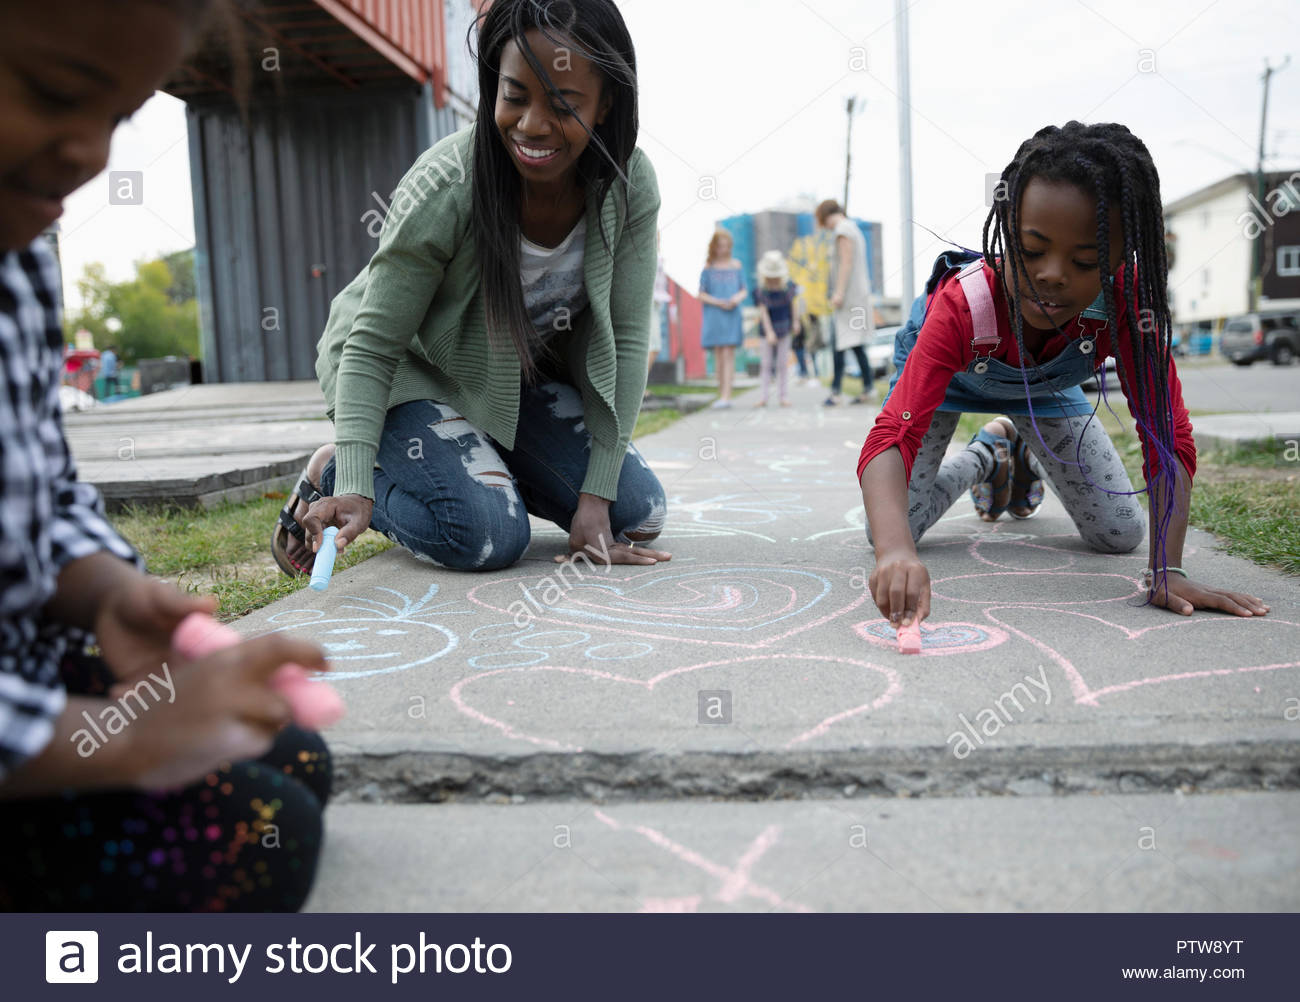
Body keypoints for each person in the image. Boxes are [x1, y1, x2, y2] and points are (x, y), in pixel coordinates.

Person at [0, 0, 333, 912]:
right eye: (54, 92)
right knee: (258, 841)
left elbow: (43, 488)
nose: (91, 154)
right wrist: (111, 739)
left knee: (285, 750)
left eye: (115, 117)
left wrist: (108, 590)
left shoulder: (18, 252)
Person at [273, 0, 670, 578]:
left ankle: (479, 467)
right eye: (514, 96)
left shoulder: (629, 183)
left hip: (503, 377)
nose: (532, 125)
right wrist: (357, 484)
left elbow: (630, 337)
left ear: (606, 102)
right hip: (406, 370)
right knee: (484, 536)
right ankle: (330, 471)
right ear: (493, 87)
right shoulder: (449, 182)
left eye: (562, 104)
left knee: (638, 512)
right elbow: (372, 345)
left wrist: (596, 498)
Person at [858, 121, 1271, 630]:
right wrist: (895, 552)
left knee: (1119, 534)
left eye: (1086, 260)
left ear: (1123, 257)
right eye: (1030, 251)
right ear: (1005, 227)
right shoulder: (963, 304)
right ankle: (989, 453)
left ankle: (1025, 448)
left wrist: (1168, 569)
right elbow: (892, 436)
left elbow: (1168, 436)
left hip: (1047, 386)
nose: (1052, 274)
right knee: (892, 531)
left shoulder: (1128, 303)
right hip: (954, 381)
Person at [816, 199, 875, 406]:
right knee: (854, 344)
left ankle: (836, 392)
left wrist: (838, 293)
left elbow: (846, 262)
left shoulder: (842, 230)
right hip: (856, 296)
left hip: (849, 297)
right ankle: (867, 388)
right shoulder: (853, 228)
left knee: (840, 343)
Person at [697, 228, 747, 409]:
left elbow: (744, 289)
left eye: (726, 246)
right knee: (719, 354)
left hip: (732, 313)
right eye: (720, 246)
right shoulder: (708, 268)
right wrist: (718, 302)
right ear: (714, 247)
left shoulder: (737, 265)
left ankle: (727, 395)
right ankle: (722, 394)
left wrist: (736, 299)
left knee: (729, 353)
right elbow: (701, 294)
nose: (723, 250)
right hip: (715, 314)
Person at [752, 250, 799, 407]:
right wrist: (769, 332)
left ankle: (783, 396)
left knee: (782, 364)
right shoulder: (761, 290)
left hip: (784, 329)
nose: (773, 280)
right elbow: (763, 311)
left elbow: (793, 305)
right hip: (767, 331)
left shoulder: (789, 287)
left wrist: (796, 322)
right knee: (766, 364)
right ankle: (763, 397)